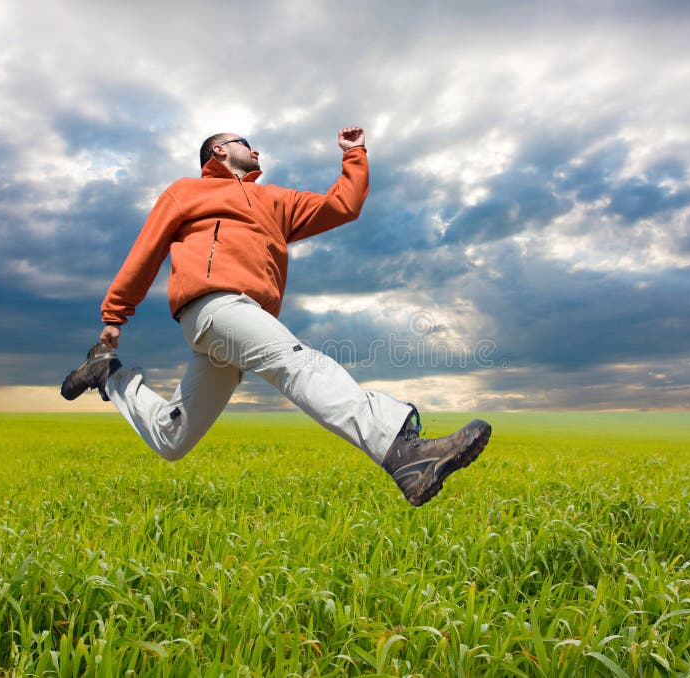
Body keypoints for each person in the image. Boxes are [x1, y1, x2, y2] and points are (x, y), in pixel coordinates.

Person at [61, 126, 491, 506]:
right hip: (214, 305)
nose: (256, 151)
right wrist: (115, 313)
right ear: (219, 151)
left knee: (171, 438)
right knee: (297, 363)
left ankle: (109, 375)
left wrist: (354, 154)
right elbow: (146, 249)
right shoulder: (186, 191)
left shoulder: (273, 200)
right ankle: (404, 453)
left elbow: (342, 205)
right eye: (246, 144)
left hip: (242, 321)